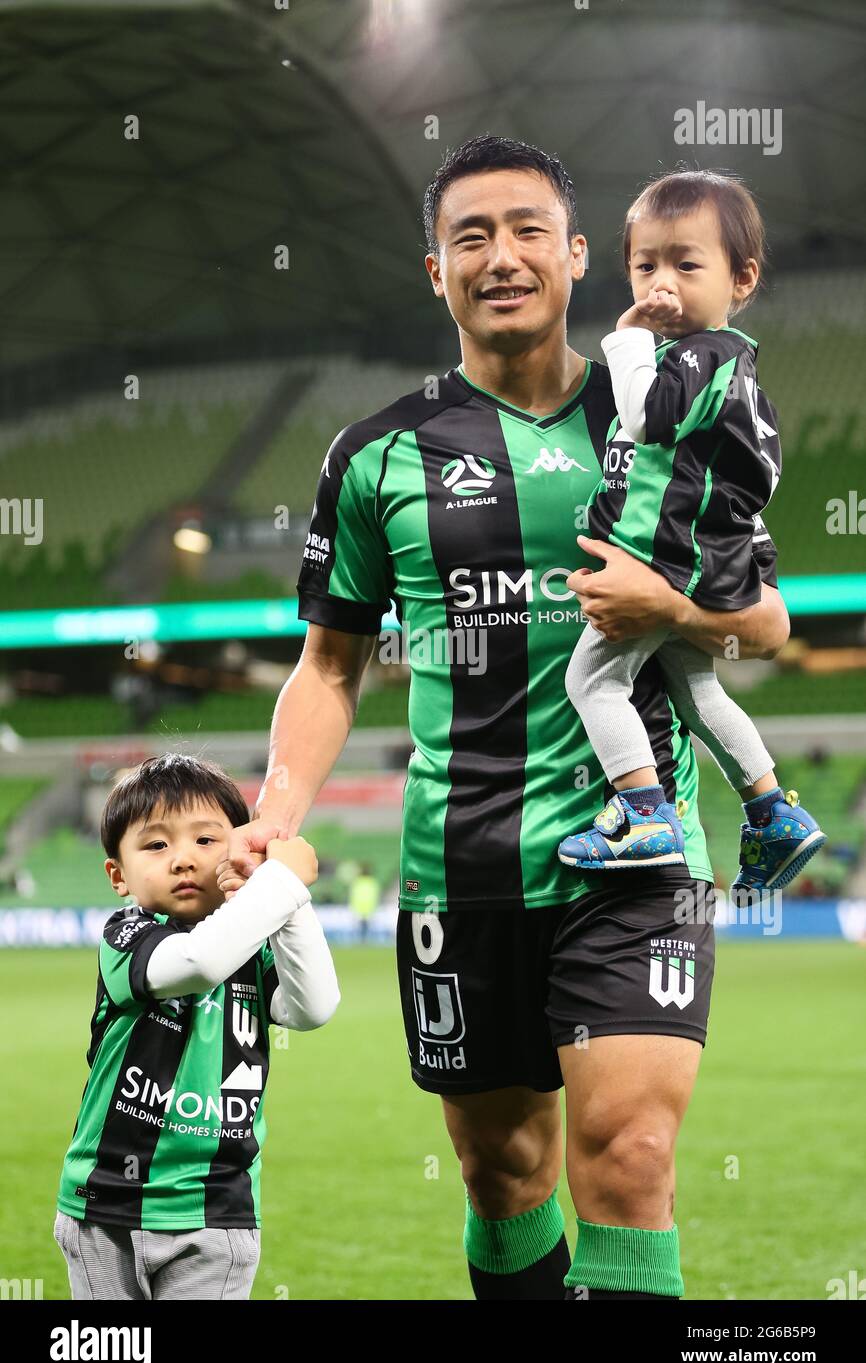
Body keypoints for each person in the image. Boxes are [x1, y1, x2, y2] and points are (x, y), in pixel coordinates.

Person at [219, 136, 790, 1301]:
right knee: (500, 1173)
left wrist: (672, 608)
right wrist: (274, 812)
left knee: (629, 1154)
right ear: (435, 271)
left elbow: (763, 626)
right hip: (461, 864)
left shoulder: (668, 404)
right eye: (469, 237)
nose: (501, 256)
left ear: (577, 256)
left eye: (528, 230)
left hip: (636, 861)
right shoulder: (376, 455)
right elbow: (329, 665)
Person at [558, 171, 825, 900]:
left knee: (592, 680)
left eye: (685, 264)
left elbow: (646, 418)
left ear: (742, 279)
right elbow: (742, 492)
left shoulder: (701, 355)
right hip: (704, 562)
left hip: (662, 560)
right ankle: (772, 811)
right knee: (695, 687)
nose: (661, 284)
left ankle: (644, 814)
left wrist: (627, 336)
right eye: (645, 266)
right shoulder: (740, 378)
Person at [54, 752, 339, 1300]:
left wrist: (290, 901)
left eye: (206, 840)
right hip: (104, 1204)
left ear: (239, 848)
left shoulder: (254, 947)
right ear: (117, 875)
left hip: (216, 1210)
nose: (183, 859)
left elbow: (313, 1007)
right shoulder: (127, 936)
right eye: (156, 846)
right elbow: (199, 961)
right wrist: (281, 883)